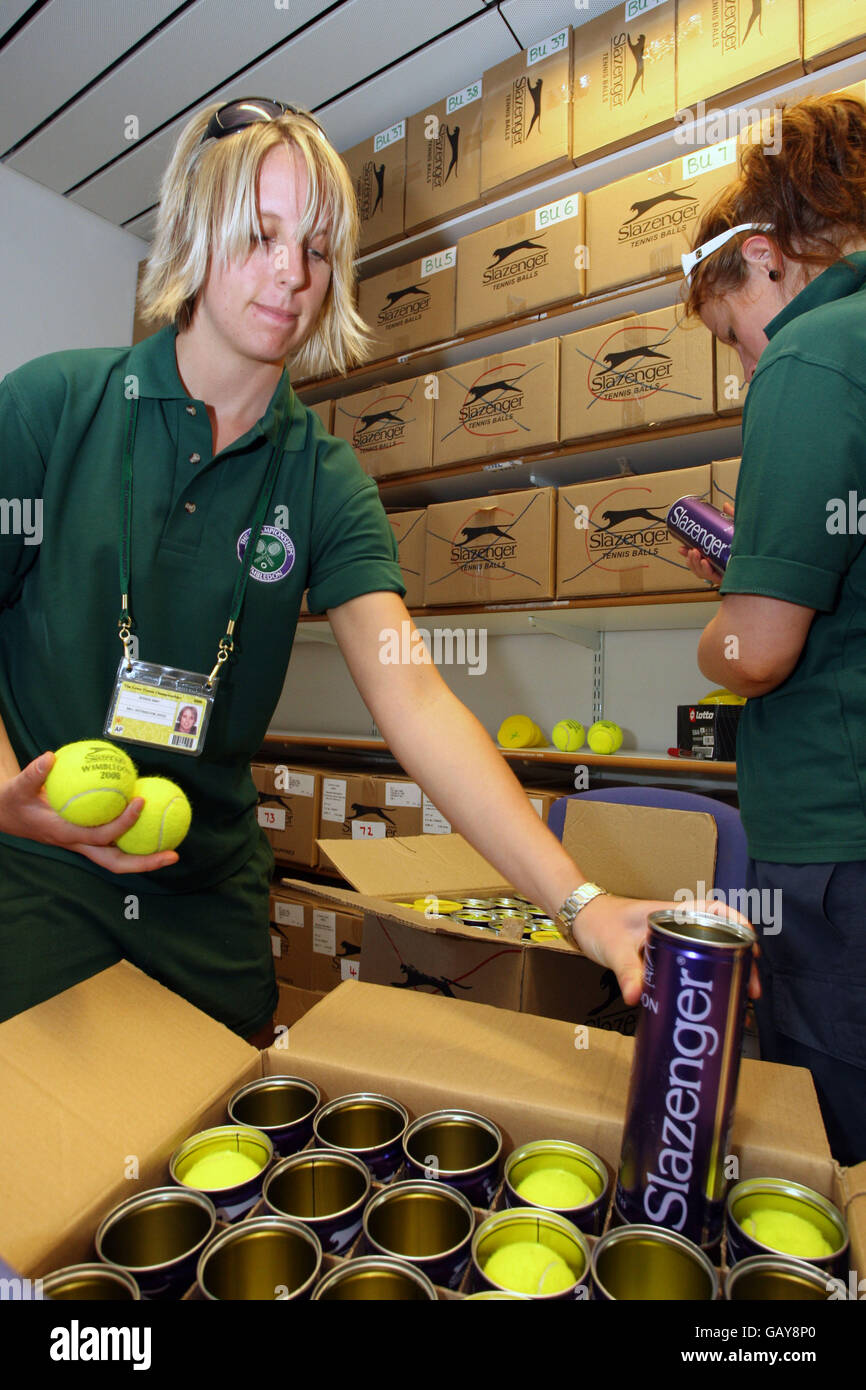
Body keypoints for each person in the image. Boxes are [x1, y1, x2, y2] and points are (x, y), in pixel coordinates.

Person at [0, 97, 744, 1045]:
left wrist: (583, 903)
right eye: (259, 234)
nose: (289, 274)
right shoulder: (50, 408)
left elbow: (416, 701)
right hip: (33, 879)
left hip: (205, 899)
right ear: (194, 233)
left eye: (315, 247)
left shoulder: (325, 478)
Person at [679, 93, 866, 1163]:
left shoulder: (811, 352)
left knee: (830, 1153)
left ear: (763, 257)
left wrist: (725, 609)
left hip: (835, 854)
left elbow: (754, 651)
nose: (746, 365)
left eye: (732, 334)